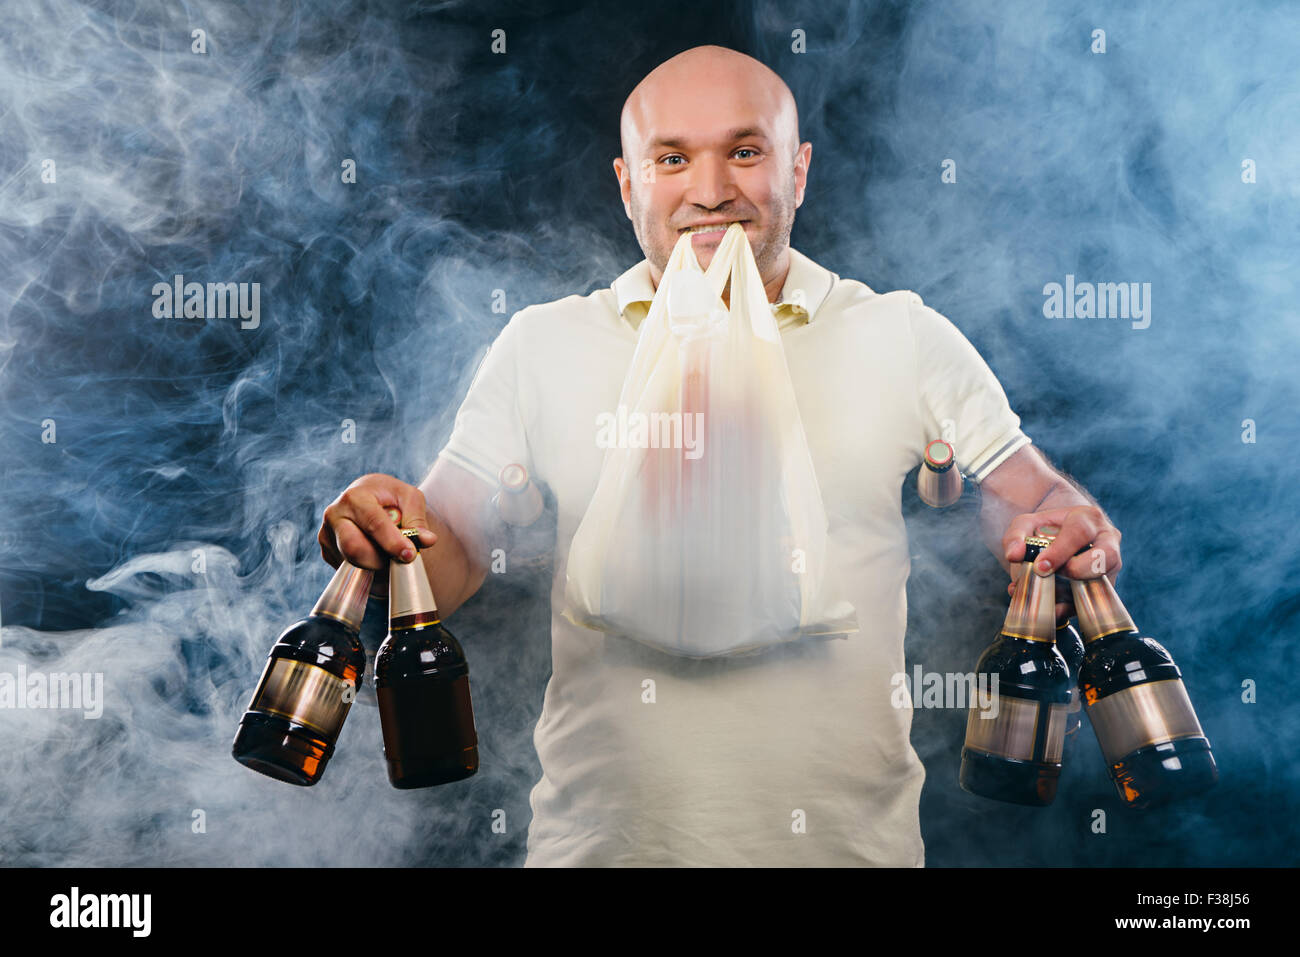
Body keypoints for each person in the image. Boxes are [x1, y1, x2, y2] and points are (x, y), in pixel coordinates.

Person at [318, 45, 1122, 866]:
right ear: (629, 184)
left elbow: (1024, 495)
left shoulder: (900, 335)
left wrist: (1058, 526)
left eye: (745, 151)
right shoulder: (544, 345)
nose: (709, 191)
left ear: (799, 170)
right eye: (672, 159)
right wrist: (393, 532)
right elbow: (446, 548)